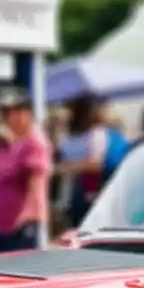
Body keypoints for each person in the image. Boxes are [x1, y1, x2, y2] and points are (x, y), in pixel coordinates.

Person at [0, 90, 50, 252]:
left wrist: (27, 217)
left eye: (18, 112)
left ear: (28, 114)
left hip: (22, 223)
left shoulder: (34, 143)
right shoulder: (8, 145)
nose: (12, 118)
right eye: (6, 113)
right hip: (2, 224)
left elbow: (36, 182)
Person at [55, 95, 108, 227]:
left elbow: (96, 164)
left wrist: (69, 166)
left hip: (88, 189)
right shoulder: (67, 135)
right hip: (68, 190)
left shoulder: (96, 133)